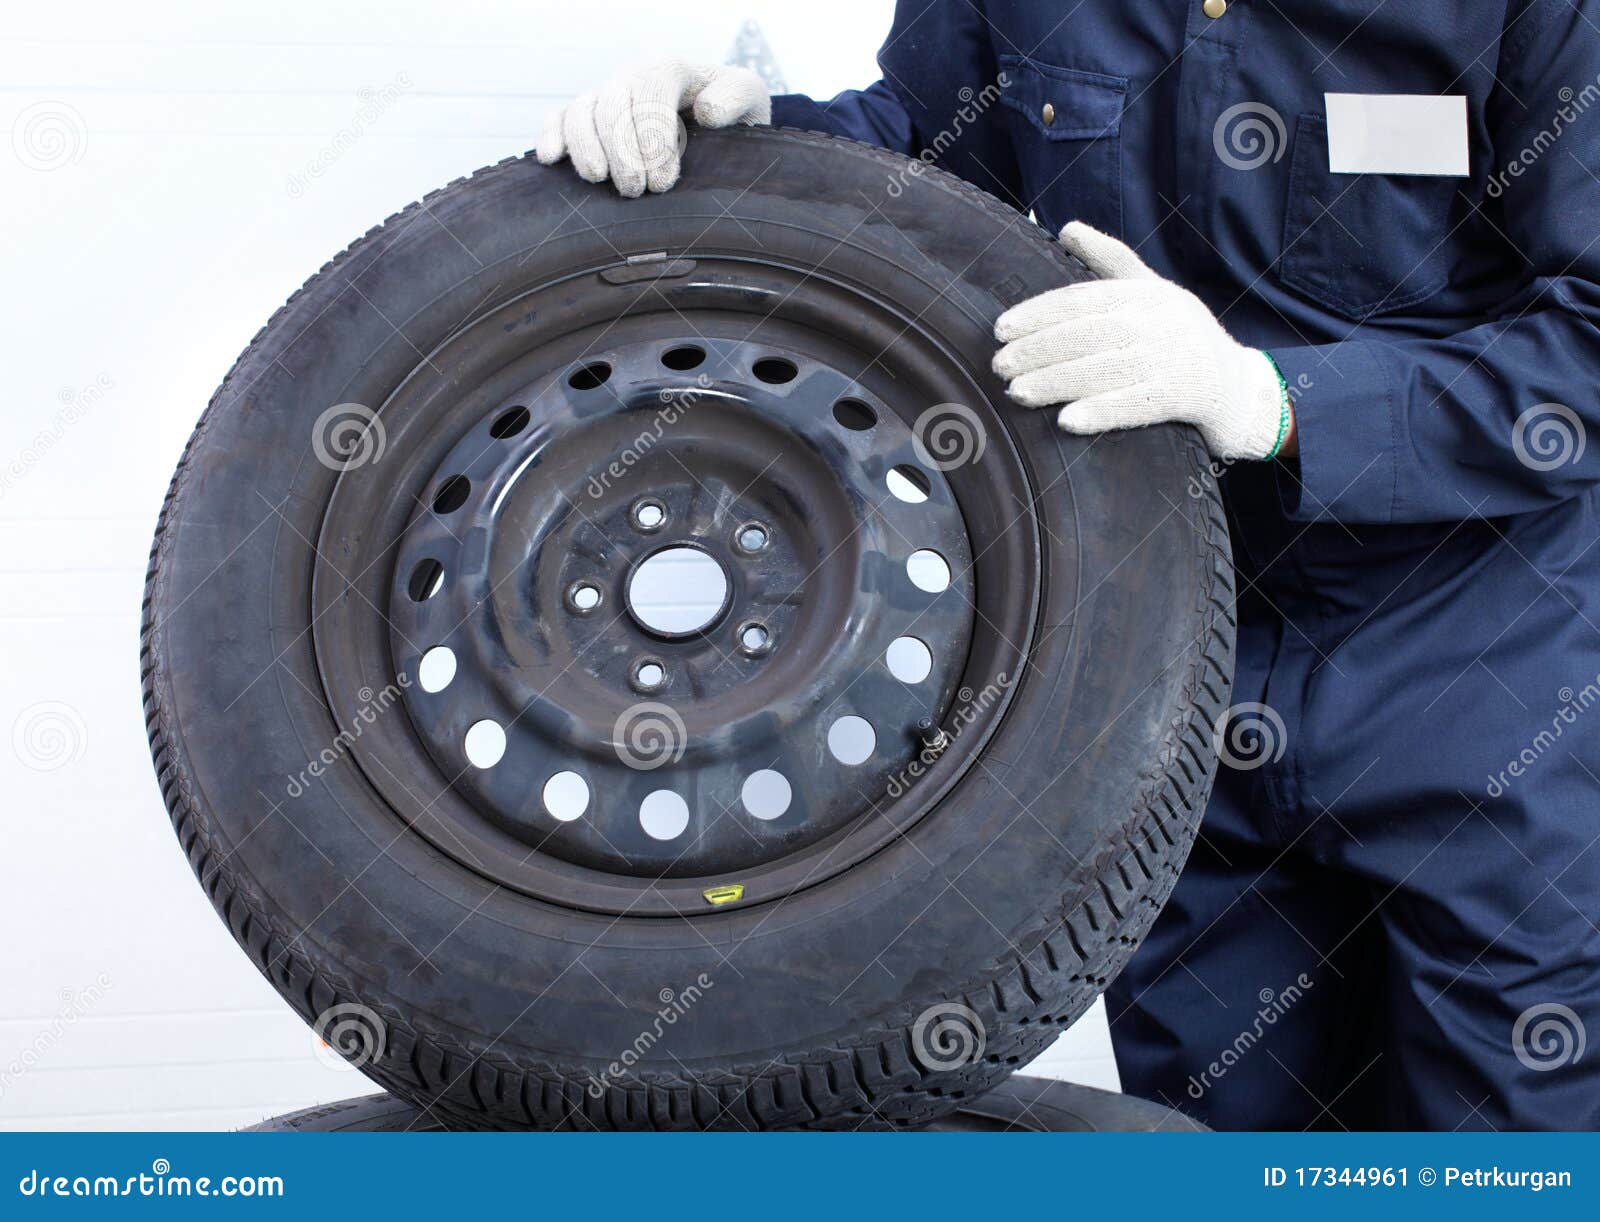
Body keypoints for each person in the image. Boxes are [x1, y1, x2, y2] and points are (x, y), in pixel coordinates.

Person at [535, 2, 1600, 1131]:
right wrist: (742, 139)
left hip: (1481, 675)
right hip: (1172, 674)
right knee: (1216, 1141)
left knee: (1505, 1152)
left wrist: (1277, 401)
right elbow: (934, 160)